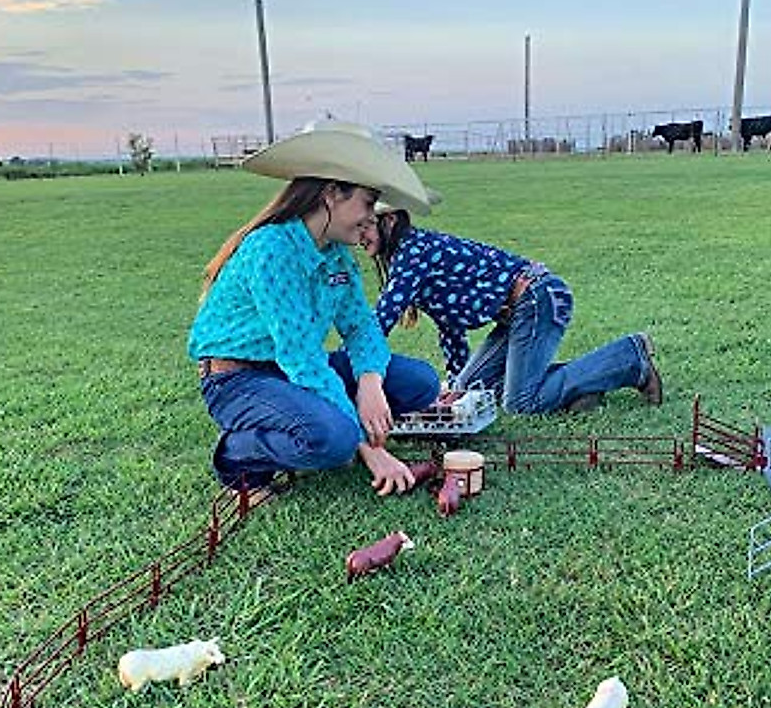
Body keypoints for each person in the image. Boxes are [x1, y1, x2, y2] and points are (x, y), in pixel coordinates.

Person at [187, 123, 441, 497]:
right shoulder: (272, 249)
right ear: (331, 194)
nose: (372, 218)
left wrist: (370, 382)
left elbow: (360, 327)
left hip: (287, 371)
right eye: (368, 203)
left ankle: (320, 420)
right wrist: (370, 448)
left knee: (420, 382)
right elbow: (302, 356)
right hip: (236, 380)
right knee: (336, 439)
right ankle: (236, 456)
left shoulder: (337, 254)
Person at [363, 208, 662, 414]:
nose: (359, 235)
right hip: (517, 312)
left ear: (388, 220)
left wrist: (361, 375)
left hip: (538, 298)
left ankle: (632, 359)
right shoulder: (410, 255)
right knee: (472, 389)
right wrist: (455, 386)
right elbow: (449, 325)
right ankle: (583, 388)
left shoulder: (413, 252)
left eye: (365, 225)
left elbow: (381, 320)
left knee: (520, 404)